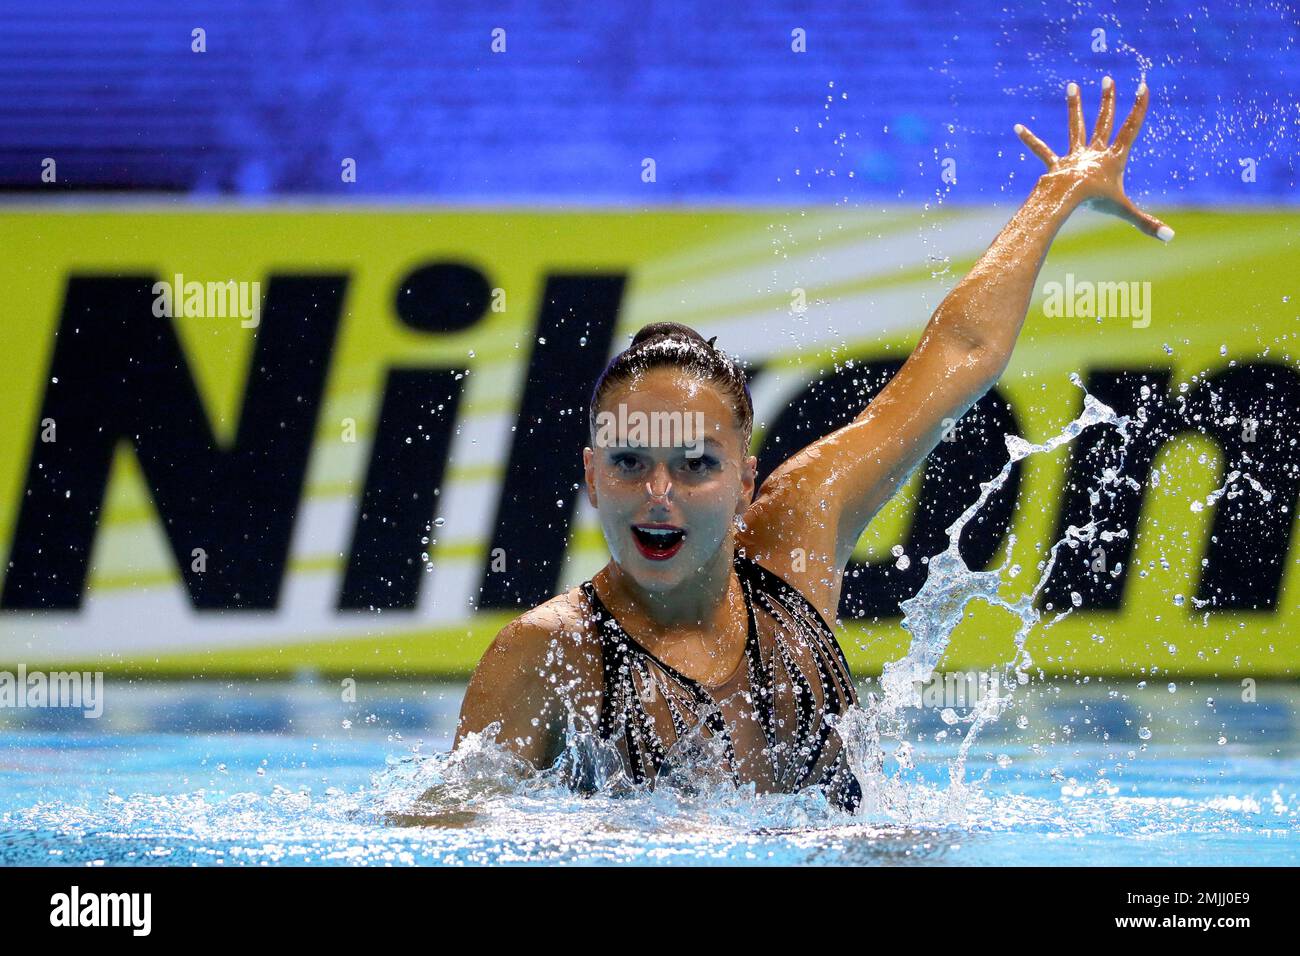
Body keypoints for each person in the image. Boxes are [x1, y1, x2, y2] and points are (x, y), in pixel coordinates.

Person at [453, 77, 1171, 811]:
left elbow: (961, 352)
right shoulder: (548, 654)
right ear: (593, 478)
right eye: (631, 463)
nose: (659, 495)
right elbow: (445, 833)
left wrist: (1061, 191)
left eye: (695, 466)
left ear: (745, 483)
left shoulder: (796, 537)